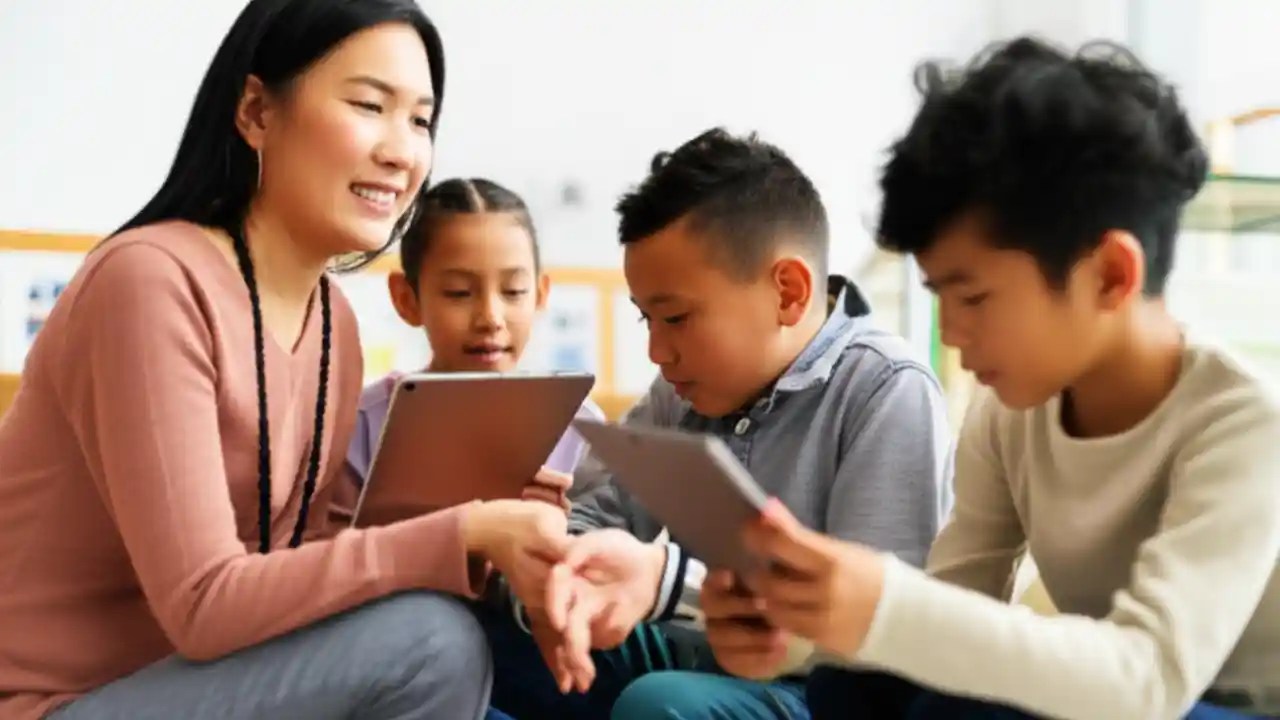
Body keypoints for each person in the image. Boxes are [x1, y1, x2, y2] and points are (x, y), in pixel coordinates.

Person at [0, 2, 567, 719]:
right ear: (257, 112)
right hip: (59, 703)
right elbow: (205, 603)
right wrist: (459, 531)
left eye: (421, 120)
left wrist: (486, 530)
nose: (402, 151)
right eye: (369, 105)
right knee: (431, 643)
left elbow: (309, 568)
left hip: (205, 685)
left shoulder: (335, 325)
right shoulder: (150, 282)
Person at [711, 37, 1280, 720]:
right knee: (862, 688)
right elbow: (953, 609)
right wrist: (796, 627)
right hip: (1118, 694)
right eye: (940, 296)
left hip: (1210, 703)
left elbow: (1148, 679)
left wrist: (882, 607)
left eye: (973, 297)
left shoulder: (1244, 421)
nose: (950, 333)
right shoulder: (1011, 412)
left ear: (1110, 275)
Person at [482, 128, 954, 720]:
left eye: (676, 317)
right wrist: (552, 566)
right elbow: (600, 513)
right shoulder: (681, 390)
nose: (657, 351)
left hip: (824, 690)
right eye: (646, 320)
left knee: (660, 705)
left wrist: (666, 581)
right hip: (700, 654)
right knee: (494, 634)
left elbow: (869, 631)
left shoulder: (887, 389)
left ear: (788, 292)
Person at [343, 177, 605, 509]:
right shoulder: (363, 426)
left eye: (513, 292)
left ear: (540, 295)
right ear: (406, 299)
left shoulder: (580, 426)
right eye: (459, 293)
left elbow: (604, 542)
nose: (490, 318)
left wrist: (567, 529)